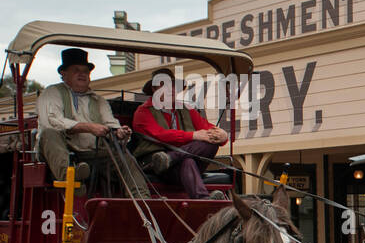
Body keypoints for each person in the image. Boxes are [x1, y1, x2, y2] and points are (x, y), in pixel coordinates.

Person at [36, 48, 143, 192]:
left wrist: (119, 132)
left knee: (126, 159)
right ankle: (71, 180)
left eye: (85, 71)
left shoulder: (98, 100)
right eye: (76, 70)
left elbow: (110, 123)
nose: (82, 74)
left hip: (92, 153)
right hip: (61, 152)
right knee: (49, 133)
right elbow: (52, 121)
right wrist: (88, 127)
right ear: (64, 74)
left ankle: (142, 199)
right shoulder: (51, 93)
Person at [132, 67, 229, 199]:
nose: (170, 89)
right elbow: (161, 135)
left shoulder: (186, 109)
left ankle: (172, 157)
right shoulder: (143, 112)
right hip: (156, 164)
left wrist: (223, 135)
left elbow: (207, 128)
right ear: (154, 89)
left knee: (211, 142)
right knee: (187, 161)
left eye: (173, 86)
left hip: (177, 161)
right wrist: (194, 135)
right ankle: (203, 199)